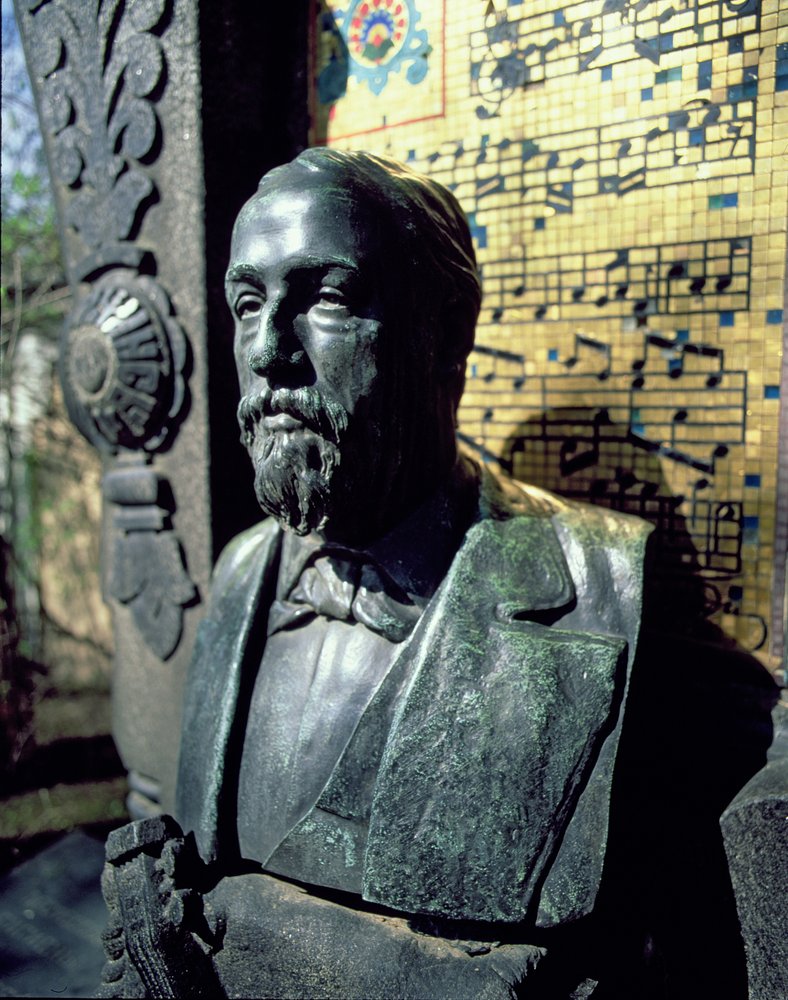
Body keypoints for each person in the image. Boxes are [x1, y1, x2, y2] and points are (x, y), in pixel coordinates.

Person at [101, 150, 655, 998]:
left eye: (325, 298)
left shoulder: (596, 584)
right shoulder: (242, 571)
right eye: (247, 303)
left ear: (446, 330)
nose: (267, 350)